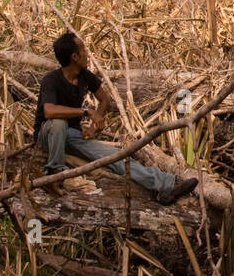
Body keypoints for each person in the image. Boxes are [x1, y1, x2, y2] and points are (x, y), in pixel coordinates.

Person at [34, 31, 198, 206]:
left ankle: (165, 186)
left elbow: (105, 99)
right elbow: (49, 112)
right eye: (83, 50)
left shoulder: (84, 76)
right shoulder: (51, 80)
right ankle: (54, 174)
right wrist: (86, 112)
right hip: (47, 136)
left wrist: (95, 124)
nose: (87, 53)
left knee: (115, 157)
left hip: (72, 135)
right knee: (58, 123)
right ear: (74, 56)